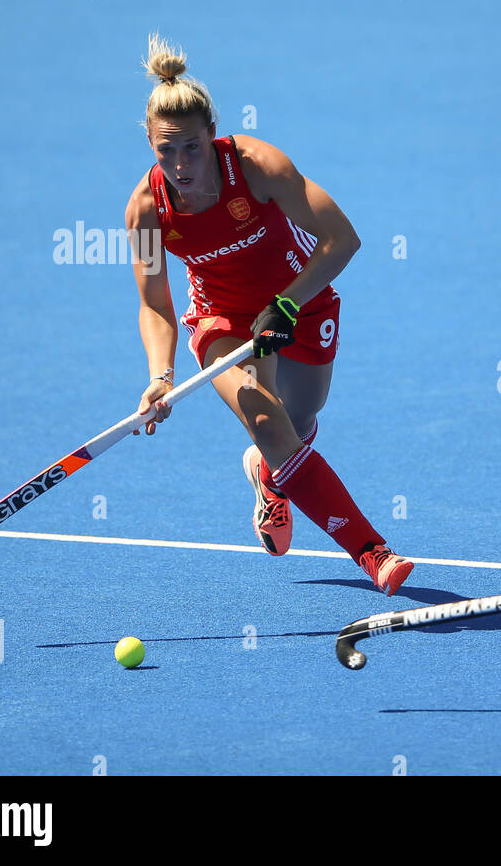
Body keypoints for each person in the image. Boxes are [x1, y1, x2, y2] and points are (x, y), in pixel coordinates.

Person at [124, 35, 413, 595]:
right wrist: (160, 377)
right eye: (166, 151)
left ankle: (268, 473)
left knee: (297, 426)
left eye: (190, 147)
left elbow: (342, 240)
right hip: (223, 321)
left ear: (212, 135)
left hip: (300, 300)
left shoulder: (258, 167)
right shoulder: (147, 210)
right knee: (268, 421)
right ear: (152, 146)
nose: (180, 164)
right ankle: (372, 551)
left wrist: (285, 303)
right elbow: (155, 303)